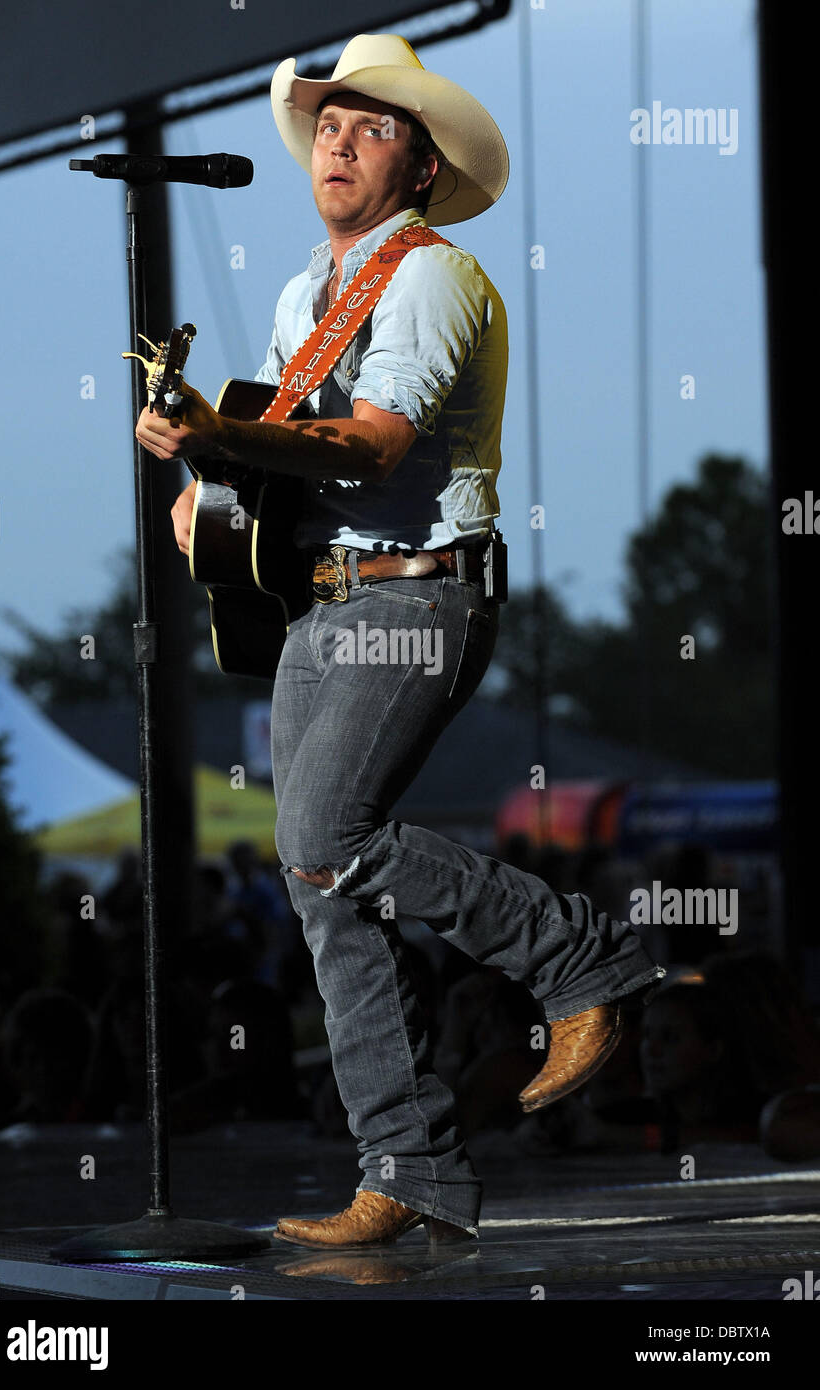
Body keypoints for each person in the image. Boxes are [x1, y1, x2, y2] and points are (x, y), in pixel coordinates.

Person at [135, 32, 665, 1247]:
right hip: (323, 601)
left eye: (372, 126)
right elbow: (260, 450)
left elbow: (367, 447)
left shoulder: (428, 276)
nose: (336, 137)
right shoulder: (299, 296)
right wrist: (198, 478)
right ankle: (408, 1162)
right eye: (328, 121)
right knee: (316, 876)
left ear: (420, 169)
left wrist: (216, 438)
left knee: (325, 836)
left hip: (416, 596)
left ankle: (580, 959)